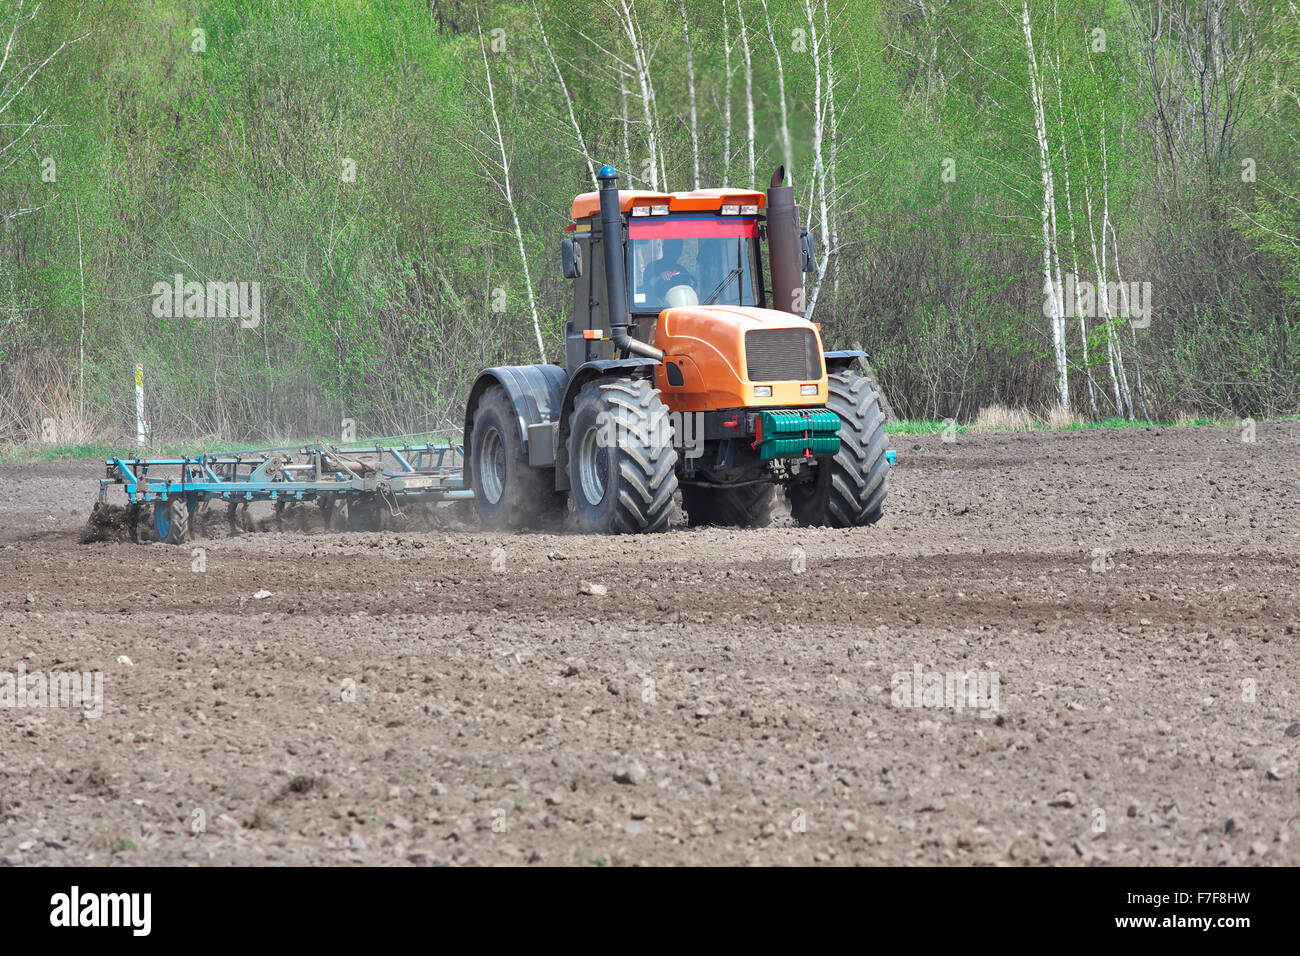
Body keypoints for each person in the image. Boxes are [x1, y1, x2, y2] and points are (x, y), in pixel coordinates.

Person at [645, 238, 697, 303]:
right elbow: (650, 284)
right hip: (658, 307)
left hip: (681, 307)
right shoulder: (652, 267)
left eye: (677, 249)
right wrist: (661, 277)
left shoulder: (682, 270)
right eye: (670, 248)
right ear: (664, 249)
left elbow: (688, 290)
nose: (673, 252)